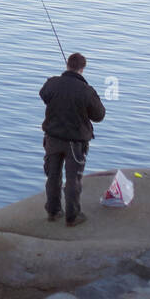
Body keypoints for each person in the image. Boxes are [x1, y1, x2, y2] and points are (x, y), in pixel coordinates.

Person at [39, 52, 106, 227]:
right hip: (75, 142)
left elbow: (44, 95)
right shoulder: (87, 91)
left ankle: (53, 212)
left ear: (67, 65)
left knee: (52, 176)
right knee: (73, 179)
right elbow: (99, 115)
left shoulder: (52, 84)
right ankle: (72, 216)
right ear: (82, 68)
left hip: (53, 138)